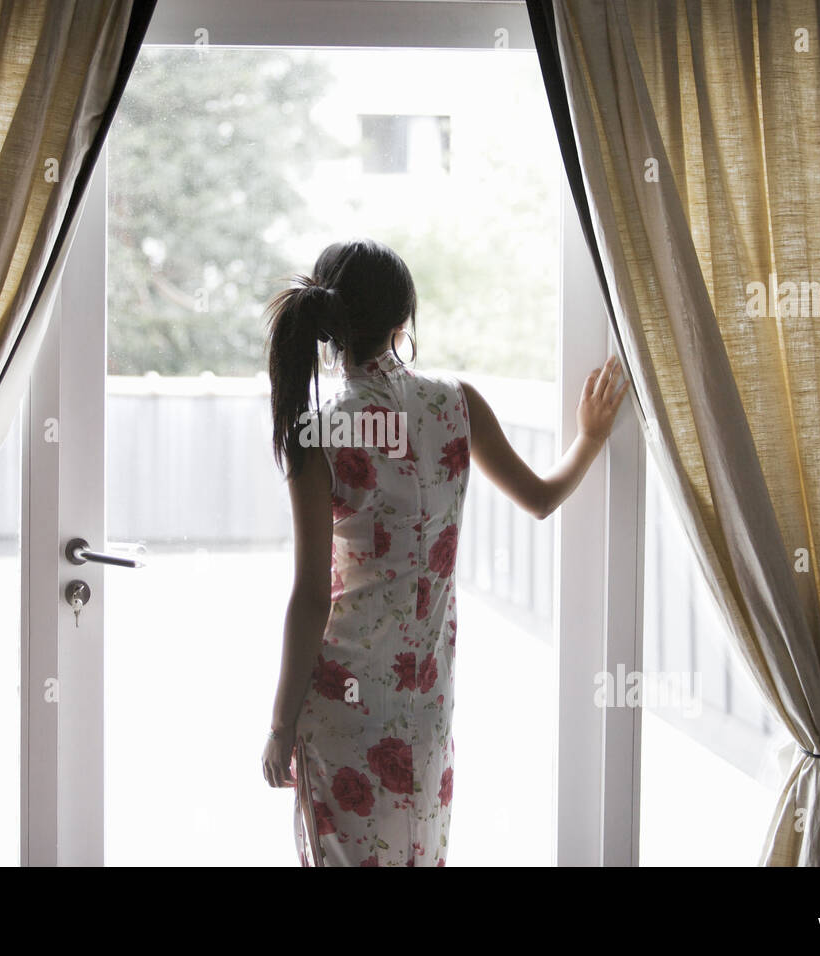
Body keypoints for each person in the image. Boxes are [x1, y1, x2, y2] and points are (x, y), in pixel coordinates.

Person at [261, 238, 628, 866]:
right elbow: (540, 499)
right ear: (403, 322)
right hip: (424, 699)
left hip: (342, 699)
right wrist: (591, 438)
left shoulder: (319, 432)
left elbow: (311, 596)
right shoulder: (455, 402)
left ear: (329, 327)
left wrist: (280, 725)